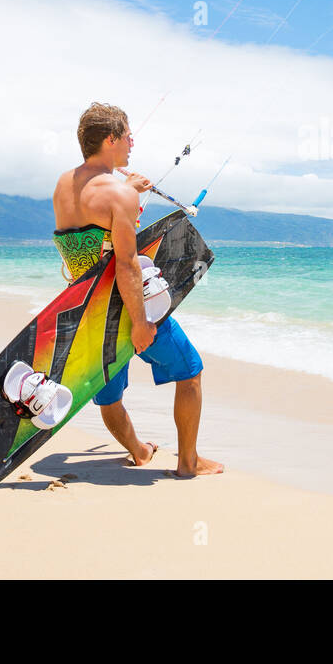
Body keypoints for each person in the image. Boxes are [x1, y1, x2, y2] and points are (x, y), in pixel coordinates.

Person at [51, 101, 223, 478]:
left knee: (109, 393)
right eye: (128, 135)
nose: (133, 141)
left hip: (87, 312)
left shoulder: (63, 186)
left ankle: (140, 451)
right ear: (110, 139)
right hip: (126, 305)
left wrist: (125, 193)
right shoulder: (119, 195)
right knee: (190, 370)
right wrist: (141, 322)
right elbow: (127, 265)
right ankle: (188, 464)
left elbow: (92, 235)